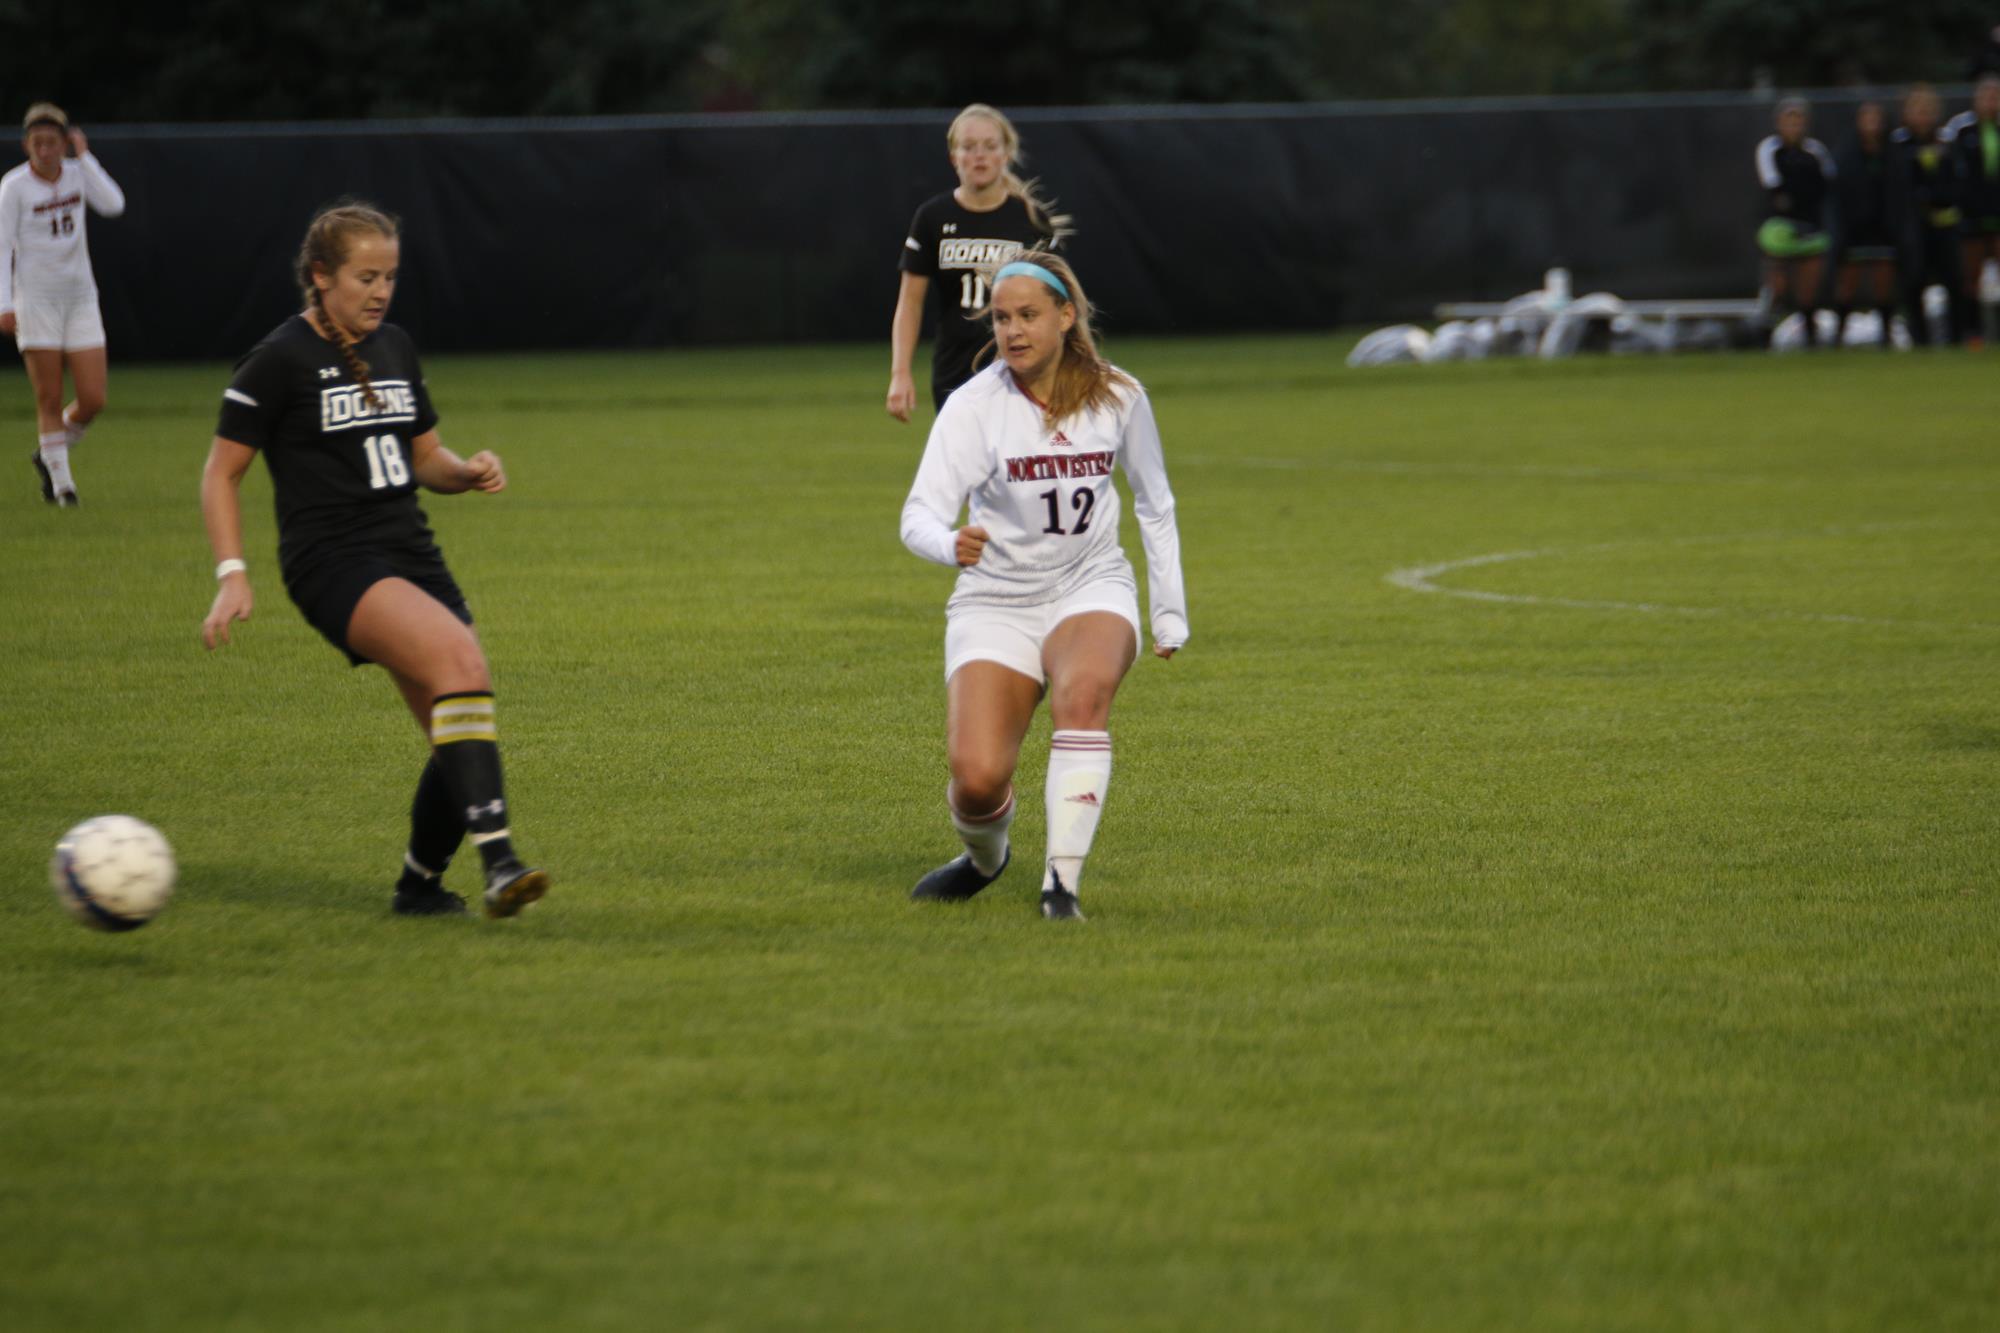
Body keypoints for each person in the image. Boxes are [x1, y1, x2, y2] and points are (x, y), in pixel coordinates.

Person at [198, 201, 549, 919]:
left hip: (412, 553)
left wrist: (468, 469)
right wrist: (231, 573)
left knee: (455, 731)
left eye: (389, 275)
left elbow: (424, 459)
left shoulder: (395, 347)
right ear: (321, 276)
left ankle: (418, 885)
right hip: (333, 561)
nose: (381, 290)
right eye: (365, 276)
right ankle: (501, 863)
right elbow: (219, 473)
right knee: (463, 666)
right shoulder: (278, 360)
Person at [899, 253, 1186, 921]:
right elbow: (918, 515)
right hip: (996, 599)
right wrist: (950, 544)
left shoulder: (1119, 395)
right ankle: (985, 857)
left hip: (1090, 582)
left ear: (1066, 315)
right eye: (1002, 318)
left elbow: (1155, 501)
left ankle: (1061, 884)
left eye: (1028, 315)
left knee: (1082, 697)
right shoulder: (975, 407)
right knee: (976, 780)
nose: (1013, 330)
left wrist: (1168, 613)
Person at [886, 103, 1071, 422]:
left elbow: (1059, 305)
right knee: (963, 471)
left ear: (1006, 154)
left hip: (1022, 369)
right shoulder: (932, 217)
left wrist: (1063, 368)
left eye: (990, 146)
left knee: (1018, 469)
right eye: (968, 147)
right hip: (955, 372)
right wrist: (900, 373)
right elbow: (910, 303)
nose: (979, 155)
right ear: (953, 157)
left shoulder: (1031, 221)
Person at [0, 103, 125, 506]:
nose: (45, 149)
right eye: (37, 142)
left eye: (52, 141)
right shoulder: (13, 186)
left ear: (64, 143)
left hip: (80, 298)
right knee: (49, 396)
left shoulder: (77, 174)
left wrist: (85, 157)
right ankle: (62, 485)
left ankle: (48, 454)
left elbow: (113, 204)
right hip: (36, 300)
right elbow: (1, 247)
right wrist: (3, 303)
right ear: (26, 145)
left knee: (93, 398)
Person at [1887, 85, 1971, 346]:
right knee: (1914, 281)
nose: (1923, 116)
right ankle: (1919, 338)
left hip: (1945, 224)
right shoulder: (1898, 143)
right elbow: (1896, 185)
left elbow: (1958, 181)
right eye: (1917, 110)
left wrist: (1939, 198)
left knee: (1954, 280)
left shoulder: (1947, 141)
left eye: (1927, 110)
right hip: (1913, 226)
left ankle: (1958, 336)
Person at [1755, 98, 1836, 346]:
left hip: (1812, 227)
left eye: (1798, 120)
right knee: (1777, 286)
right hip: (1780, 229)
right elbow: (1775, 189)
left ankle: (1811, 341)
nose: (1794, 125)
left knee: (1808, 293)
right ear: (1779, 123)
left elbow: (1828, 183)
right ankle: (1763, 338)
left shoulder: (1816, 151)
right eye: (1788, 120)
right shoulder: (1770, 149)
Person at [1828, 101, 1898, 346]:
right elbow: (1839, 193)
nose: (1871, 125)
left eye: (1876, 119)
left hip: (1882, 228)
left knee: (1883, 284)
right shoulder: (1846, 155)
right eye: (1866, 119)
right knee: (1847, 285)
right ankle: (1838, 336)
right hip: (1854, 229)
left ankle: (1886, 335)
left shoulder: (1891, 153)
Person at [1944, 75, 2000, 332]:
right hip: (1971, 215)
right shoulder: (1960, 128)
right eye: (1987, 96)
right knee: (1971, 277)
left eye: (1995, 97)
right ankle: (1973, 333)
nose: (1991, 102)